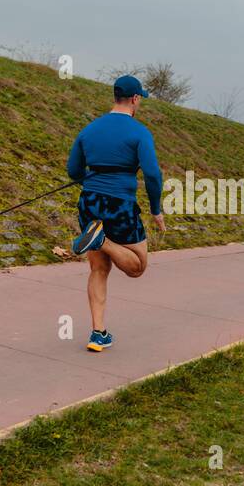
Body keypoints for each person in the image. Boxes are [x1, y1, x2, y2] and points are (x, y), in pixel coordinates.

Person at [66, 75, 165, 351]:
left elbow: (73, 171)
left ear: (115, 97)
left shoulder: (89, 130)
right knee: (137, 267)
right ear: (135, 99)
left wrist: (92, 179)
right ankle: (103, 240)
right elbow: (153, 175)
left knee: (99, 268)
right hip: (119, 205)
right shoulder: (139, 132)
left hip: (90, 202)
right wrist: (156, 210)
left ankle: (98, 334)